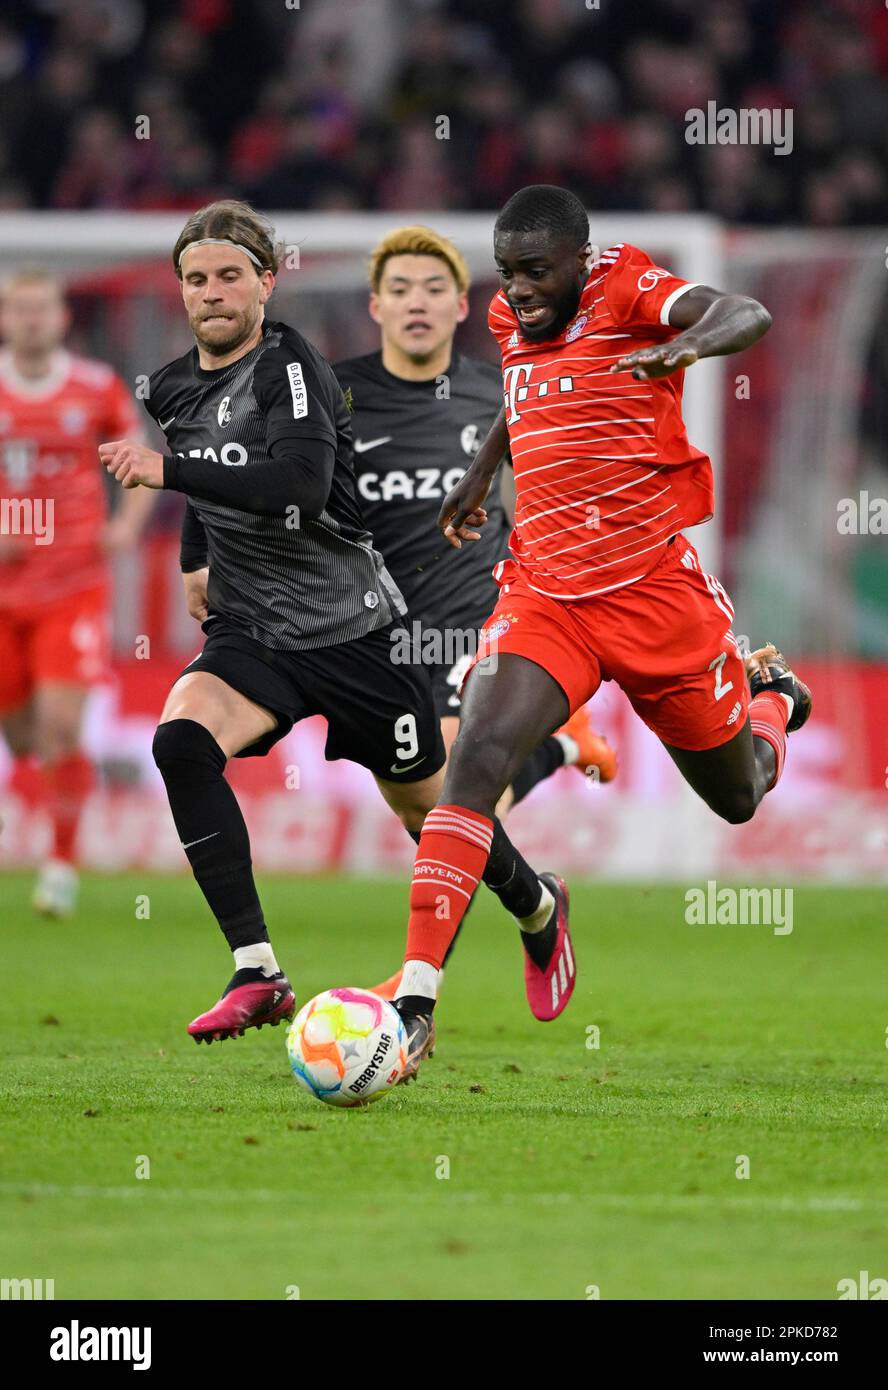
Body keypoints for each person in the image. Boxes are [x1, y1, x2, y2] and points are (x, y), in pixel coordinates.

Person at [99, 200, 575, 1055]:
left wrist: (166, 473)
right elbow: (213, 479)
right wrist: (192, 560)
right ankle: (257, 971)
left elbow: (299, 485)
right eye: (196, 279)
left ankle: (537, 903)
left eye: (230, 276)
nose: (212, 292)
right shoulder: (172, 384)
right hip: (255, 633)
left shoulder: (292, 364)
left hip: (356, 633)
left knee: (439, 819)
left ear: (264, 283)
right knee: (181, 742)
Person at [393, 184, 812, 1081]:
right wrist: (478, 476)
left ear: (580, 260)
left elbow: (747, 310)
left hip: (654, 594)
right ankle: (415, 1003)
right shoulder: (512, 317)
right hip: (546, 592)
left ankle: (772, 702)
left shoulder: (627, 287)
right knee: (472, 762)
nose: (518, 289)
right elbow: (523, 402)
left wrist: (686, 347)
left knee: (739, 793)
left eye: (537, 271)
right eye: (507, 272)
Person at [334, 224, 617, 998]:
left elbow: (555, 495)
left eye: (433, 289)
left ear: (462, 305)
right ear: (376, 306)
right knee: (430, 819)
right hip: (379, 639)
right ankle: (537, 900)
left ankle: (415, 989)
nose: (416, 303)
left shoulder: (503, 389)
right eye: (400, 290)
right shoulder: (338, 398)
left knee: (462, 788)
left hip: (478, 623)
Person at [0, 268, 154, 917]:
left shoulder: (95, 387)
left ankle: (60, 864)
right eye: (21, 310)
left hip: (73, 584)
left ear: (62, 318)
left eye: (44, 308)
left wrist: (125, 525)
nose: (33, 320)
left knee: (63, 726)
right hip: (5, 591)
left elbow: (138, 451)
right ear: (6, 319)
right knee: (25, 737)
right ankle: (53, 790)